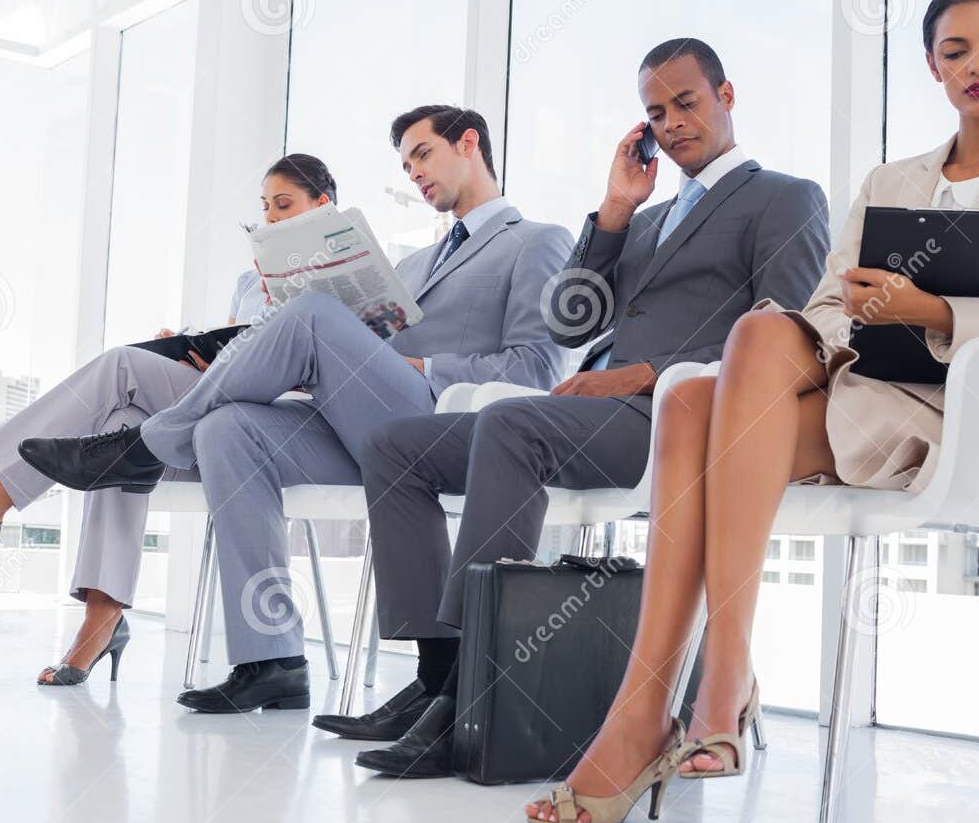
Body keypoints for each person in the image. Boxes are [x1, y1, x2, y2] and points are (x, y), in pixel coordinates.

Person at [528, 0, 979, 823]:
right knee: (732, 362)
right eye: (955, 50)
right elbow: (829, 305)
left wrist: (934, 310)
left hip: (949, 423)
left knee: (720, 384)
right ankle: (688, 693)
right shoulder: (893, 179)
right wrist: (862, 317)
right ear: (932, 66)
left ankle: (701, 690)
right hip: (856, 395)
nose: (978, 65)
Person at [327, 38, 831, 778]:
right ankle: (438, 674)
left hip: (678, 422)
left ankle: (472, 693)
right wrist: (616, 210)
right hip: (586, 414)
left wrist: (641, 376)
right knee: (396, 446)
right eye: (655, 113)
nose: (672, 123)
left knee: (510, 421)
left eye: (687, 103)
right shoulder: (645, 221)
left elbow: (786, 339)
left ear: (727, 97)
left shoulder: (784, 197)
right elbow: (568, 323)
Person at [20, 105, 574, 714]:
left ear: (469, 143)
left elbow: (537, 370)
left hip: (442, 426)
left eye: (422, 154)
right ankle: (272, 660)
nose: (414, 173)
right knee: (227, 428)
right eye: (406, 163)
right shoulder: (410, 265)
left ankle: (140, 448)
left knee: (309, 313)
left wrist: (425, 370)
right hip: (364, 430)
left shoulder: (538, 241)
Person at [0, 154, 341, 686]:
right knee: (118, 419)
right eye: (264, 208)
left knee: (121, 368)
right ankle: (102, 613)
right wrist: (200, 354)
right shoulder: (249, 279)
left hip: (281, 431)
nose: (271, 218)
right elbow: (238, 354)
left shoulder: (342, 280)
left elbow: (330, 374)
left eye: (283, 206)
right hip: (216, 415)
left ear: (321, 206)